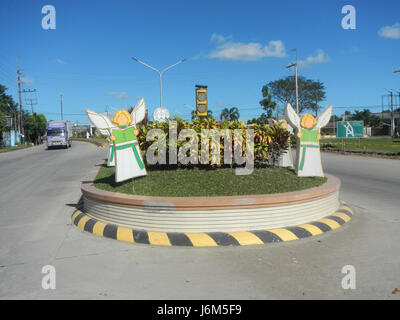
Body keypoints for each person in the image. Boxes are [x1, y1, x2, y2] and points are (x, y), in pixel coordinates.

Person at [110, 109, 146, 182]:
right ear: (116, 120)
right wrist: (113, 138)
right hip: (121, 151)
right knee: (123, 163)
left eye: (124, 117)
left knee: (134, 163)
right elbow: (113, 137)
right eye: (120, 117)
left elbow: (135, 133)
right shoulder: (114, 130)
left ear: (128, 119)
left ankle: (137, 172)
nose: (122, 118)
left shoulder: (131, 128)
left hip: (133, 149)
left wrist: (135, 132)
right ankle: (123, 176)